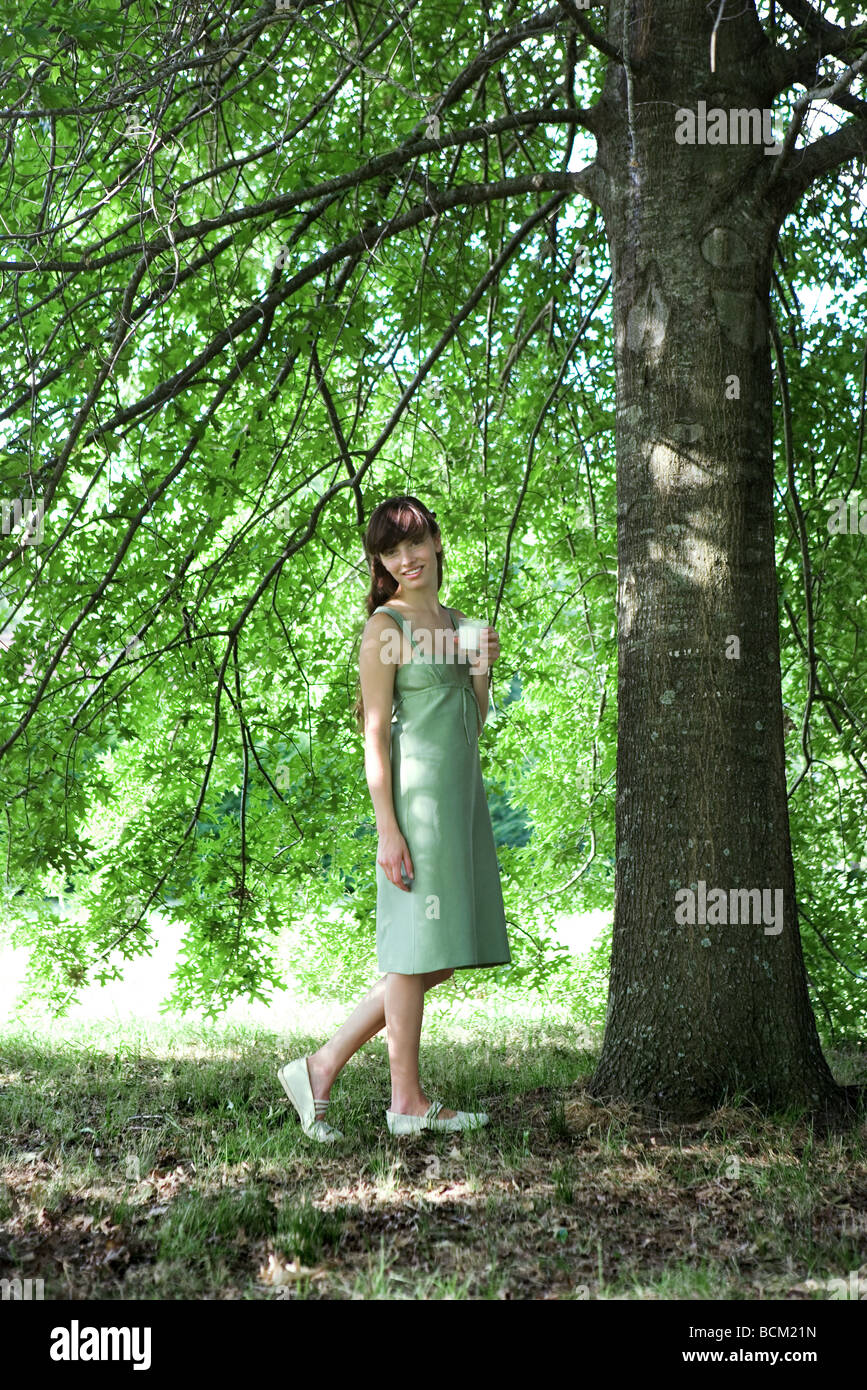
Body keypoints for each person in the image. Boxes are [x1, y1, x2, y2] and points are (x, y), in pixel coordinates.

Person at [277, 495, 512, 1139]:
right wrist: (388, 827)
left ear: (436, 541)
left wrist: (481, 672)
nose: (406, 558)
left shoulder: (460, 624)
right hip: (416, 807)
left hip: (459, 805)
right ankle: (402, 1101)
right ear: (381, 560)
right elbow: (373, 732)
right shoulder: (387, 627)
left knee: (432, 954)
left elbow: (472, 721)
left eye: (414, 542)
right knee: (414, 954)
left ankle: (322, 1065)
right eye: (391, 549)